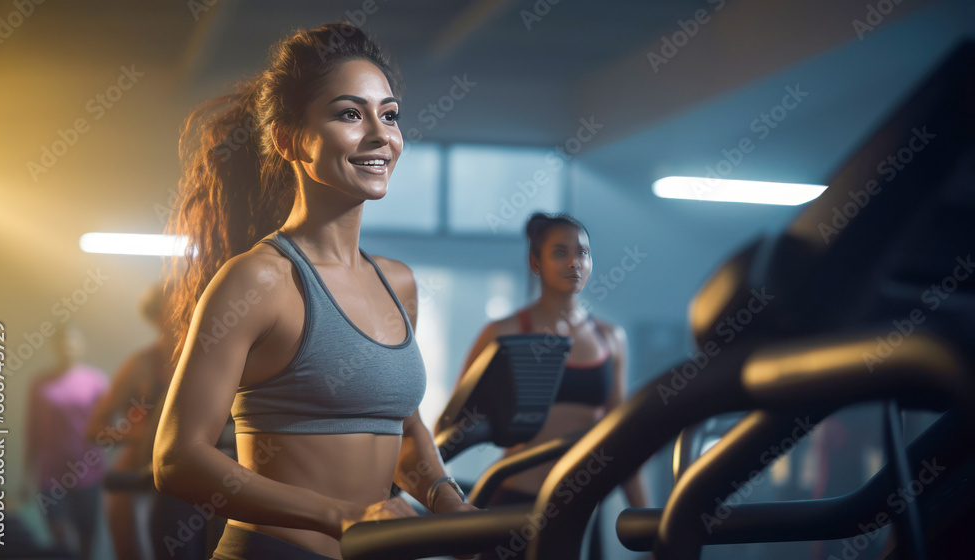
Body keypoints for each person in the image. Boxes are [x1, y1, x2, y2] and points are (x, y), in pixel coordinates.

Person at [152, 24, 477, 560]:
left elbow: (403, 426)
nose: (381, 135)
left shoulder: (398, 283)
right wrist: (338, 515)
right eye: (350, 114)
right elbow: (176, 459)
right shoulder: (257, 280)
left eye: (389, 115)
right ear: (288, 139)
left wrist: (448, 501)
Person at [440, 212, 647, 558]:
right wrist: (448, 504)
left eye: (582, 253)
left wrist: (651, 528)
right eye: (560, 252)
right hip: (516, 506)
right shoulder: (503, 333)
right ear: (536, 263)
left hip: (582, 511)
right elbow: (450, 427)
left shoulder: (611, 339)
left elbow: (621, 438)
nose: (574, 263)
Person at [86, 282, 187, 560]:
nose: (184, 310)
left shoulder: (202, 361)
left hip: (184, 481)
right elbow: (94, 429)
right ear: (156, 316)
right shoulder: (140, 365)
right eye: (175, 305)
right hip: (136, 480)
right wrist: (140, 435)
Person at [25, 323, 108, 560]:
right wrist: (26, 476)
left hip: (88, 472)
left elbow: (108, 426)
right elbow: (32, 431)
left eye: (73, 341)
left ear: (81, 346)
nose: (68, 346)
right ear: (56, 346)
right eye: (63, 342)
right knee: (60, 538)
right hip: (50, 475)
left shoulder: (96, 381)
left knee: (86, 536)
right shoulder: (41, 384)